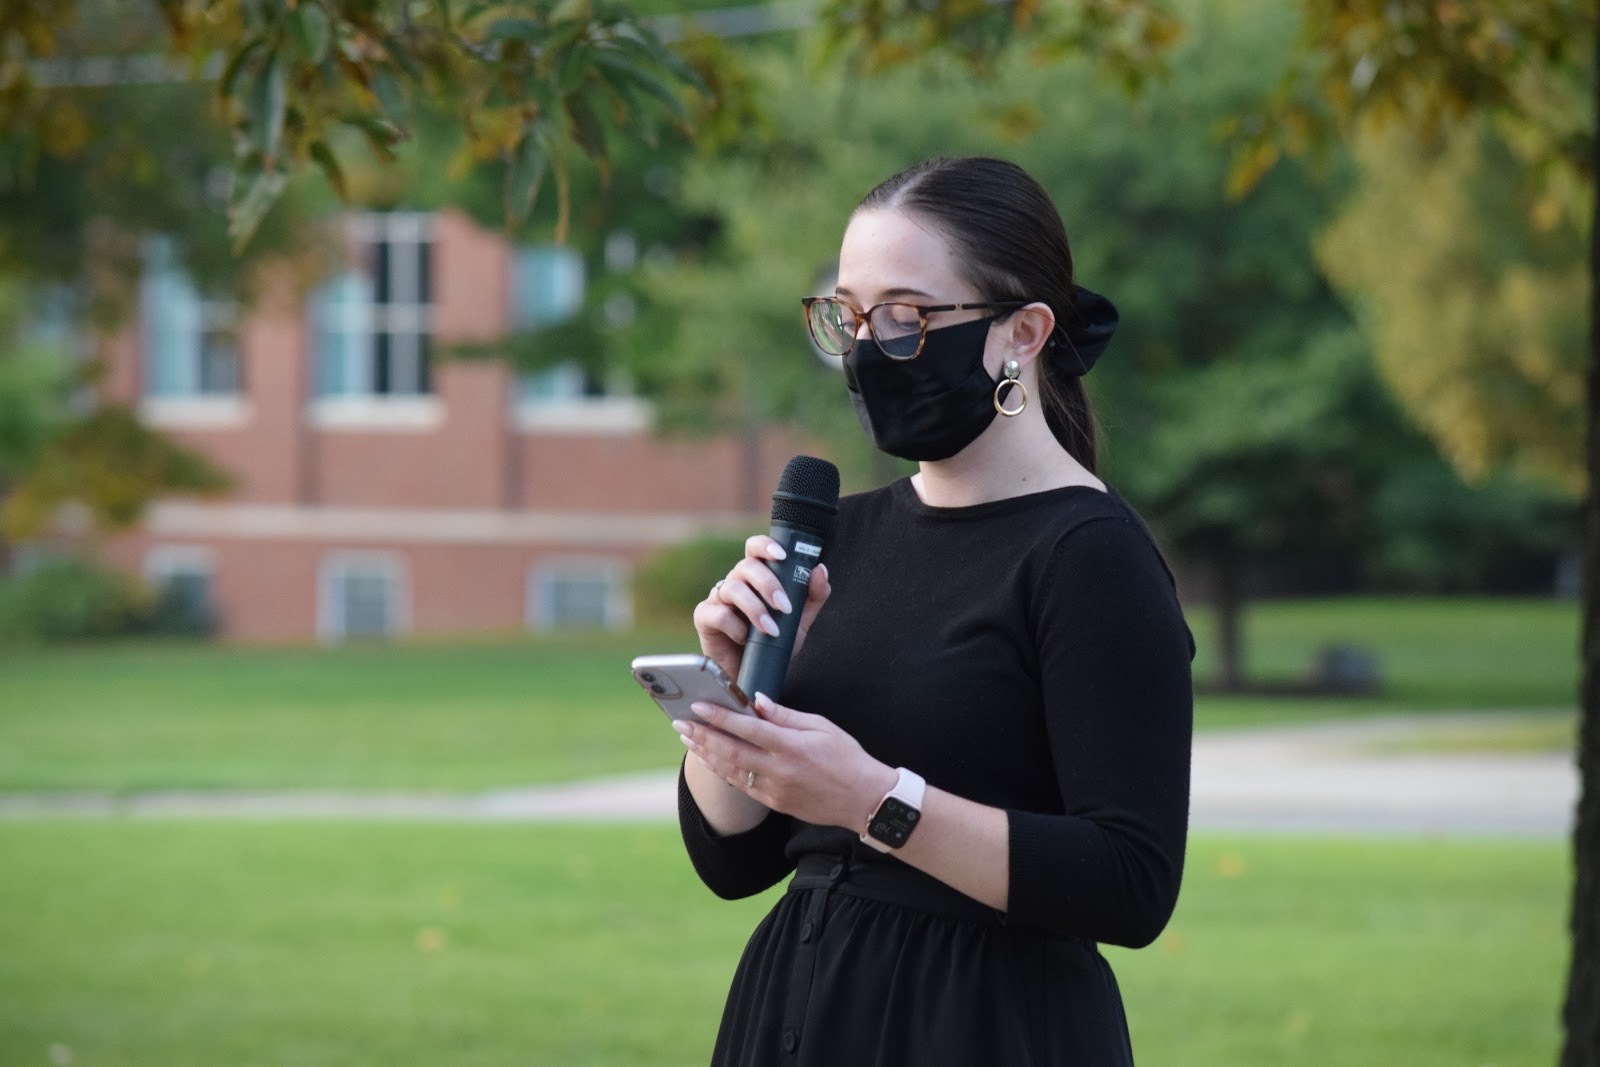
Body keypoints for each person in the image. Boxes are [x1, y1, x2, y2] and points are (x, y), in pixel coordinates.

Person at [674, 155, 1194, 1066]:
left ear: (1022, 333)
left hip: (981, 1023)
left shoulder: (1089, 554)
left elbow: (1129, 883)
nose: (872, 347)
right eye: (850, 315)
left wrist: (875, 798)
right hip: (797, 1011)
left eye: (908, 317)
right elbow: (733, 865)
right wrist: (727, 698)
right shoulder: (837, 535)